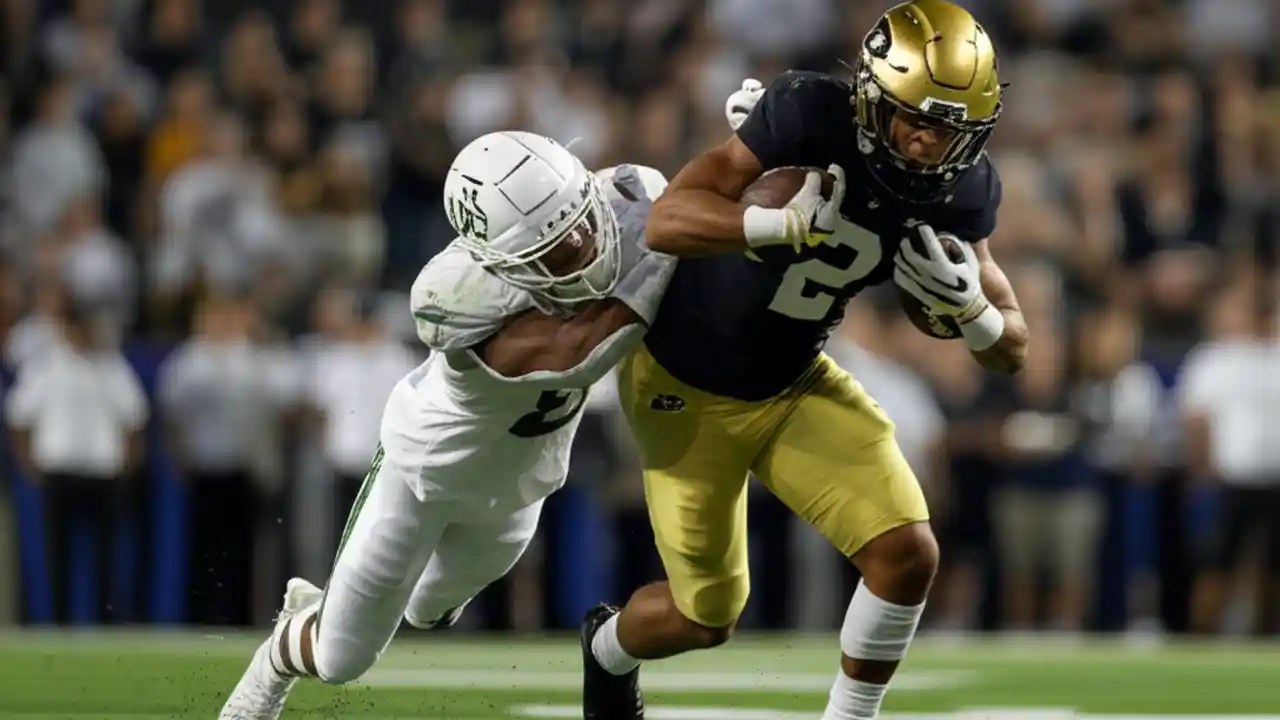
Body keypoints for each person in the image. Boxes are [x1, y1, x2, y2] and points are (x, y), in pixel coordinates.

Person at [580, 2, 1029, 719]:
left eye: (948, 130)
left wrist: (972, 311)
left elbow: (1013, 347)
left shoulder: (962, 187)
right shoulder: (806, 115)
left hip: (794, 383)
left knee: (908, 552)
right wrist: (771, 222)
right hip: (683, 383)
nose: (924, 143)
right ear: (872, 97)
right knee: (706, 616)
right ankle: (607, 648)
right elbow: (667, 220)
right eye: (913, 119)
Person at [219, 130, 674, 719]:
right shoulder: (459, 300)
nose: (583, 244)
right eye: (556, 249)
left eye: (581, 219)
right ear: (504, 262)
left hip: (516, 492)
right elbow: (578, 350)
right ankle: (279, 654)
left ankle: (356, 610)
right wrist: (665, 255)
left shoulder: (624, 194)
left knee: (429, 610)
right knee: (340, 658)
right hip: (422, 479)